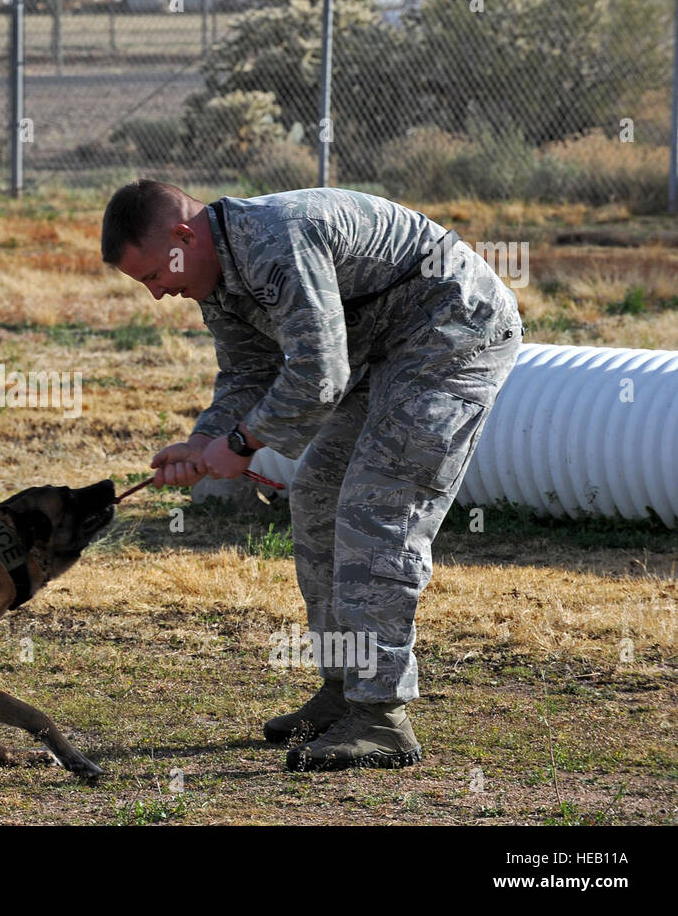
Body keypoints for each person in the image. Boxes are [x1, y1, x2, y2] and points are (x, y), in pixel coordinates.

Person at [101, 180, 522, 771]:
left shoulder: (276, 238)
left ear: (182, 236)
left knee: (377, 511)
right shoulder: (213, 278)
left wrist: (243, 443)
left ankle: (380, 717)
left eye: (152, 276)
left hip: (450, 333)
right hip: (375, 347)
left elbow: (321, 370)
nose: (157, 293)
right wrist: (204, 440)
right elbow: (250, 369)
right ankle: (345, 687)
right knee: (319, 500)